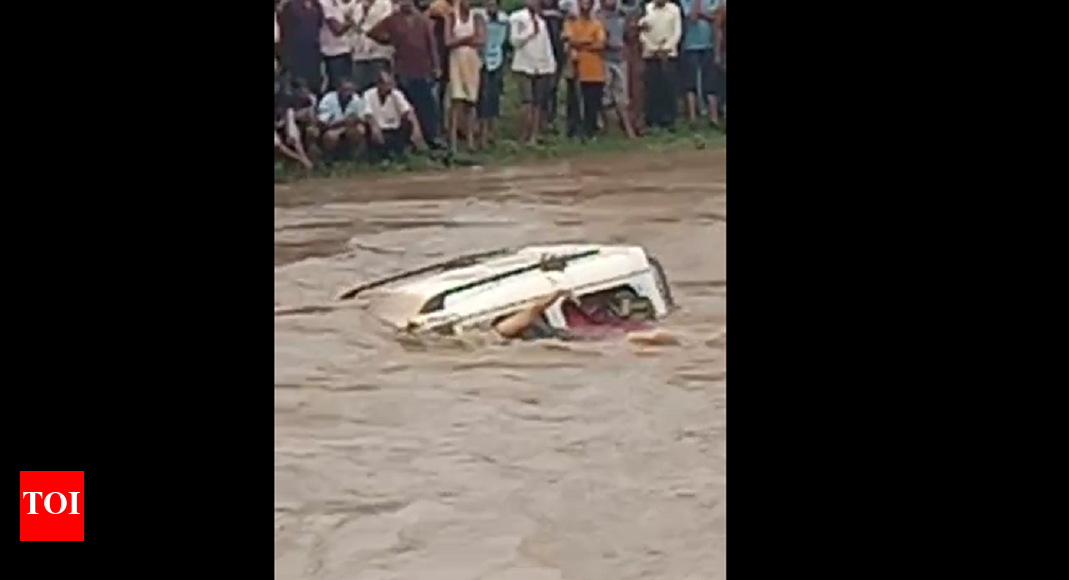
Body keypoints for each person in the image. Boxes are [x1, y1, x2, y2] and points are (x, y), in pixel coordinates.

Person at [369, 0, 443, 148]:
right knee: (405, 106)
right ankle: (407, 141)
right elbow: (373, 32)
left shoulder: (423, 20)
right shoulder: (393, 19)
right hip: (403, 69)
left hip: (422, 68)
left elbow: (432, 44)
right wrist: (389, 41)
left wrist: (436, 66)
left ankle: (431, 138)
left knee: (427, 105)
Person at [509, 0, 557, 145]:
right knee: (527, 101)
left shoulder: (541, 20)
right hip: (524, 64)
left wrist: (551, 64)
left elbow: (546, 44)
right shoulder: (517, 17)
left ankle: (534, 135)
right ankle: (523, 134)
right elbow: (514, 41)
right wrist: (530, 32)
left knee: (538, 102)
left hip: (541, 65)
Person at [444, 0, 485, 152]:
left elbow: (481, 39)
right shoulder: (452, 16)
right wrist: (468, 39)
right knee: (456, 101)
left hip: (472, 61)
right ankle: (453, 143)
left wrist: (460, 41)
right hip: (456, 60)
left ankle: (470, 142)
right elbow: (448, 41)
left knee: (471, 101)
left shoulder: (477, 17)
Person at [562, 0, 607, 139]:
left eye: (588, 4)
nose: (585, 6)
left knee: (592, 103)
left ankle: (590, 132)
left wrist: (580, 44)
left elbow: (601, 44)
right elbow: (569, 40)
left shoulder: (597, 24)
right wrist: (589, 41)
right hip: (576, 70)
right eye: (582, 3)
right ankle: (574, 131)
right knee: (574, 103)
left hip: (594, 71)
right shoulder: (570, 23)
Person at [361, 70, 429, 161]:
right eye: (385, 84)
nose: (388, 87)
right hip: (377, 131)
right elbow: (367, 114)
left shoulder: (396, 94)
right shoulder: (368, 94)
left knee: (409, 124)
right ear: (378, 84)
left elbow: (408, 112)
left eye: (390, 84)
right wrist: (374, 127)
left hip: (394, 129)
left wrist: (416, 129)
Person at [637, 0, 681, 129]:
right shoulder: (647, 8)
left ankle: (669, 120)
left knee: (669, 87)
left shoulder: (674, 9)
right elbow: (642, 32)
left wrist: (666, 48)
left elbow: (677, 32)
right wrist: (654, 49)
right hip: (651, 54)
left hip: (669, 54)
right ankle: (653, 120)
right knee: (653, 88)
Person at [597, 0, 638, 139]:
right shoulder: (598, 16)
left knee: (622, 96)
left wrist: (632, 27)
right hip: (604, 58)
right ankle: (606, 129)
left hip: (620, 58)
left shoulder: (622, 15)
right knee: (605, 95)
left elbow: (628, 37)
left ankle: (628, 130)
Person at [679, 0, 722, 127]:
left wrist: (704, 15)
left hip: (708, 45)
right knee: (690, 84)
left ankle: (713, 118)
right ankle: (692, 119)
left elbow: (717, 19)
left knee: (710, 83)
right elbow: (691, 17)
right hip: (690, 46)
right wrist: (703, 12)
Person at [474, 0, 510, 149]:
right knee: (482, 97)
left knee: (494, 97)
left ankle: (491, 133)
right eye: (488, 5)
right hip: (481, 61)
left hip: (497, 61)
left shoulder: (503, 20)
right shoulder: (478, 17)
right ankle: (480, 134)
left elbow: (506, 39)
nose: (491, 8)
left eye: (493, 5)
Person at [278, 0, 326, 94]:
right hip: (295, 51)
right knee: (295, 85)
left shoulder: (317, 6)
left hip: (312, 52)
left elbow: (319, 25)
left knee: (313, 84)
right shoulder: (290, 6)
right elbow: (284, 31)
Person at [315, 78, 366, 160]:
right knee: (330, 136)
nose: (348, 92)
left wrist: (355, 120)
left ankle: (356, 159)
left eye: (351, 90)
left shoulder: (357, 99)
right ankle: (330, 159)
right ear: (338, 89)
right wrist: (342, 121)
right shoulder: (328, 99)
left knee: (360, 131)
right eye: (345, 90)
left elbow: (361, 116)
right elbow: (323, 120)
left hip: (351, 126)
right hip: (333, 127)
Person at [350, 0, 395, 92]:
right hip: (360, 52)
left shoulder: (385, 4)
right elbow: (355, 25)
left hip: (379, 52)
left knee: (380, 85)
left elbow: (385, 23)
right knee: (359, 86)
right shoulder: (357, 6)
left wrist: (369, 31)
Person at [275, 80, 314, 169]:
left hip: (284, 126)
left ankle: (304, 160)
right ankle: (301, 160)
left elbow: (289, 120)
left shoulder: (287, 103)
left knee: (294, 137)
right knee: (276, 144)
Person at [320, 0, 357, 92]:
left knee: (348, 86)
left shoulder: (339, 2)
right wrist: (352, 21)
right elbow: (337, 30)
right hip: (332, 53)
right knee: (336, 88)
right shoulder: (324, 3)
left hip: (346, 51)